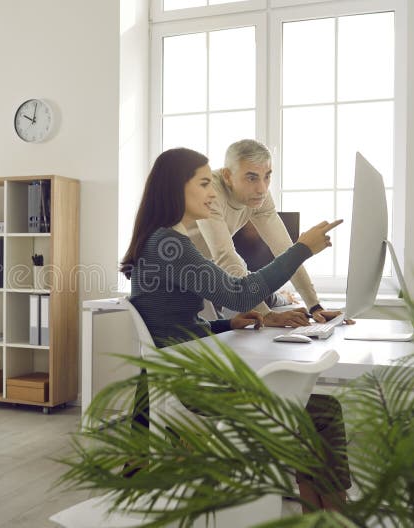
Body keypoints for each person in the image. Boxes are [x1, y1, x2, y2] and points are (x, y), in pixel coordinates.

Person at [120, 148, 350, 512]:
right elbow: (239, 290)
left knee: (318, 410)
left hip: (186, 374)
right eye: (203, 183)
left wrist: (226, 323)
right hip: (194, 387)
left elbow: (175, 326)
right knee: (322, 412)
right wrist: (302, 248)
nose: (213, 194)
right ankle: (331, 512)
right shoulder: (169, 245)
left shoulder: (161, 241)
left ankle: (322, 511)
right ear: (175, 189)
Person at [187, 139, 352, 328]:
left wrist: (315, 307)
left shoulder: (259, 197)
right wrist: (265, 314)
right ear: (227, 176)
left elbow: (286, 251)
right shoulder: (209, 192)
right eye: (251, 177)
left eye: (267, 176)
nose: (262, 189)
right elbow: (225, 256)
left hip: (204, 273)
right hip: (172, 275)